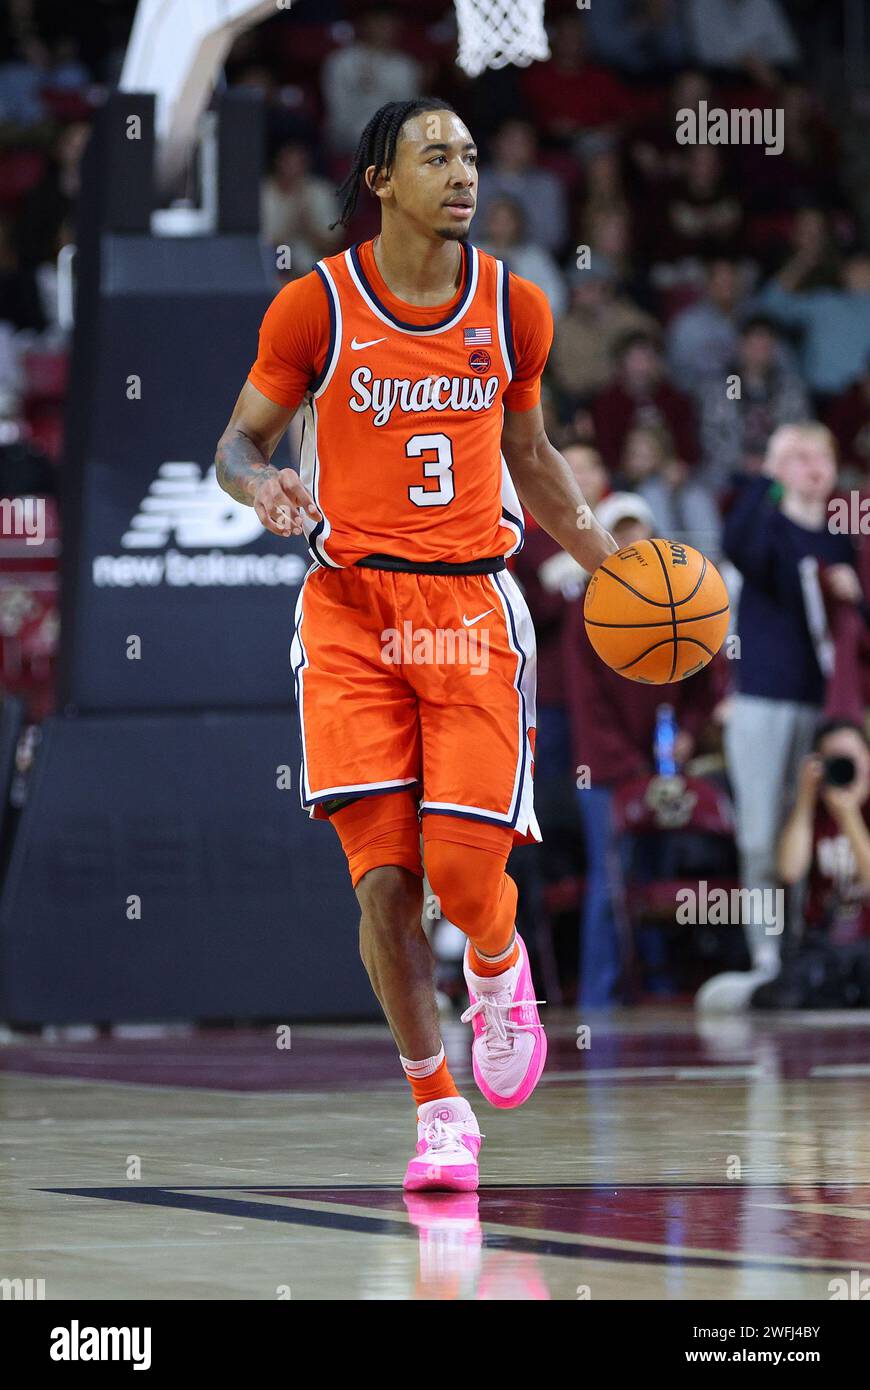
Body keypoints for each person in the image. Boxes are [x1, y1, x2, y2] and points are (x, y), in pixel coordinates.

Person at [215, 99, 617, 1192]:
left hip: (473, 608)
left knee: (461, 868)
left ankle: (496, 961)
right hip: (349, 614)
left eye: (471, 155)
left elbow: (529, 454)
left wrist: (606, 552)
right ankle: (438, 1107)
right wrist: (264, 487)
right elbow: (237, 444)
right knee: (386, 884)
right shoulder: (317, 306)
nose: (462, 172)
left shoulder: (514, 306)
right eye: (435, 154)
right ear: (380, 180)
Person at [697, 424, 863, 1011]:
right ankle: (770, 955)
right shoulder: (768, 523)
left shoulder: (847, 535)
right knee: (763, 834)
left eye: (820, 453)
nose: (810, 465)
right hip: (766, 699)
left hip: (831, 708)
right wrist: (767, 477)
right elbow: (736, 542)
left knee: (827, 830)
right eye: (797, 456)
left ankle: (822, 947)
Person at [698, 315, 810, 489]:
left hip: (780, 469)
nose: (759, 353)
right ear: (740, 346)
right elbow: (716, 431)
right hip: (732, 470)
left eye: (765, 347)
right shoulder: (732, 382)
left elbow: (801, 430)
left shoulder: (787, 386)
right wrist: (741, 461)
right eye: (754, 346)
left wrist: (773, 461)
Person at [755, 249, 870, 401]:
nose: (861, 272)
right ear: (843, 273)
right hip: (817, 399)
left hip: (862, 402)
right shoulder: (823, 301)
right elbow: (769, 307)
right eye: (855, 267)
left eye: (866, 267)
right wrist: (800, 264)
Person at [592, 330, 699, 472]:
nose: (642, 367)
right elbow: (605, 452)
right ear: (620, 364)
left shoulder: (676, 401)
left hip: (672, 477)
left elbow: (688, 448)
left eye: (648, 358)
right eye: (634, 360)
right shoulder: (606, 404)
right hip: (621, 478)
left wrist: (680, 466)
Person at [321, 6, 422, 154]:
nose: (384, 29)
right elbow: (337, 109)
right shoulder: (341, 61)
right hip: (347, 136)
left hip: (391, 137)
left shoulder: (406, 66)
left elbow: (406, 110)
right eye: (378, 23)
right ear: (366, 25)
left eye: (389, 24)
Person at [472, 119, 568, 255]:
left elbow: (553, 236)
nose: (516, 148)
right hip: (482, 255)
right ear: (495, 144)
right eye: (511, 141)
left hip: (533, 258)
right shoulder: (475, 182)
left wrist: (516, 247)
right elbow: (465, 229)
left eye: (523, 142)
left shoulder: (547, 185)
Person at [666, 258, 748, 399]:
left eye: (731, 282)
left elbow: (781, 361)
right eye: (721, 282)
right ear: (708, 285)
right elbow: (679, 377)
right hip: (702, 401)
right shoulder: (687, 324)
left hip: (751, 401)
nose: (727, 287)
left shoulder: (753, 318)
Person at [260, 141, 342, 276]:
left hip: (313, 272)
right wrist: (291, 226)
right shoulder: (264, 192)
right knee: (282, 257)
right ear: (277, 162)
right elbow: (256, 245)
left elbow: (332, 245)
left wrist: (307, 225)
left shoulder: (321, 192)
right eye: (288, 163)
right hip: (273, 269)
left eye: (298, 163)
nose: (293, 169)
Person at [478, 196, 567, 319]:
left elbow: (555, 296)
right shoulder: (473, 254)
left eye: (507, 220)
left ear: (519, 222)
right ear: (486, 222)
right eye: (496, 219)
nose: (502, 226)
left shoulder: (535, 257)